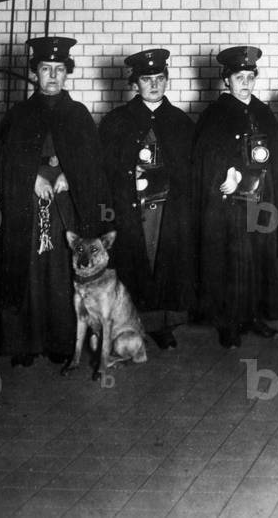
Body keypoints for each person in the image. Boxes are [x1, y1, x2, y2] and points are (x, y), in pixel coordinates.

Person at [0, 36, 108, 367]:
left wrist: (70, 177)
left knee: (62, 269)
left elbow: (92, 163)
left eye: (59, 70)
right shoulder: (19, 113)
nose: (52, 76)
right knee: (29, 269)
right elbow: (6, 159)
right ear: (35, 72)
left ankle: (62, 341)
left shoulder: (77, 114)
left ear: (66, 73)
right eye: (46, 69)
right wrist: (31, 178)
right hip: (29, 206)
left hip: (65, 205)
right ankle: (26, 344)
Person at [99, 49, 196, 350]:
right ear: (135, 83)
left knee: (165, 263)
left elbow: (190, 171)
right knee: (133, 263)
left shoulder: (181, 122)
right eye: (146, 79)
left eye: (159, 78)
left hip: (167, 210)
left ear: (167, 80)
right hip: (132, 209)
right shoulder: (116, 121)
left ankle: (163, 326)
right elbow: (105, 169)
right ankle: (129, 323)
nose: (153, 84)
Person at [193, 46, 278, 348]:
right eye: (238, 77)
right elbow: (206, 154)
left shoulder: (262, 111)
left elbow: (276, 151)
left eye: (249, 76)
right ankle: (229, 322)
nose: (245, 82)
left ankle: (254, 316)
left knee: (259, 256)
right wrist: (227, 173)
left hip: (262, 197)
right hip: (233, 202)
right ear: (226, 81)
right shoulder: (215, 113)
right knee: (233, 261)